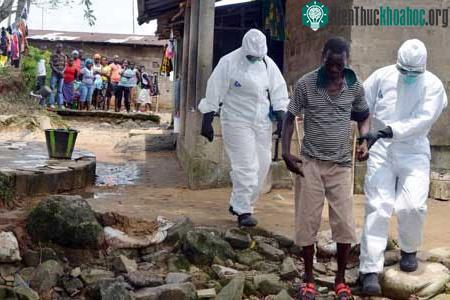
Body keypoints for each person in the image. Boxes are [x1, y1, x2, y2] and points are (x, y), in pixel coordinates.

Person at [281, 37, 370, 299]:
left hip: (341, 165)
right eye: (330, 64)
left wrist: (364, 139)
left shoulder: (354, 85)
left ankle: (340, 280)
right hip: (310, 163)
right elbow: (289, 117)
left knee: (344, 225)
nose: (334, 70)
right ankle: (308, 279)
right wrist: (286, 152)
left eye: (339, 65)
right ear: (322, 58)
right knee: (307, 223)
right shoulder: (306, 84)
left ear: (347, 62)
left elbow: (363, 115)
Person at [358, 39, 448, 295]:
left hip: (414, 150)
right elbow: (362, 105)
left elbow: (423, 120)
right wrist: (364, 135)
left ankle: (409, 250)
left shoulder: (433, 85)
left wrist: (387, 130)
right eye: (403, 71)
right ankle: (369, 270)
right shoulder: (381, 76)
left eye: (413, 73)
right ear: (397, 63)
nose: (408, 76)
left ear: (423, 67)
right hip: (381, 151)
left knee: (413, 205)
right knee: (378, 206)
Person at [198, 29, 289, 227]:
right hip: (236, 121)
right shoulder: (228, 62)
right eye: (251, 56)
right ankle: (243, 210)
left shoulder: (267, 63)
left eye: (258, 56)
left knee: (263, 165)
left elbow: (278, 91)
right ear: (244, 49)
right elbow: (214, 90)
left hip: (262, 122)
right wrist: (207, 119)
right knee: (246, 166)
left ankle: (240, 202)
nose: (254, 59)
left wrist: (282, 118)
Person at [48, 43, 66, 109]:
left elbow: (65, 65)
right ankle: (51, 103)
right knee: (52, 88)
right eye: (58, 47)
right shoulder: (53, 55)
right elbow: (51, 65)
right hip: (54, 74)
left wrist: (62, 72)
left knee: (60, 90)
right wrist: (58, 71)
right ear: (56, 48)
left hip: (61, 75)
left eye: (60, 47)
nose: (59, 48)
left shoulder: (64, 56)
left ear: (62, 48)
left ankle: (60, 104)